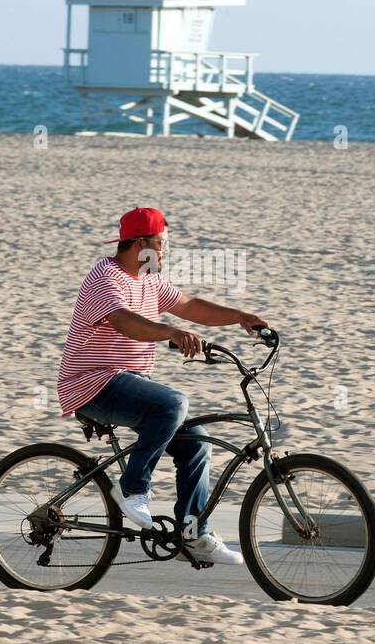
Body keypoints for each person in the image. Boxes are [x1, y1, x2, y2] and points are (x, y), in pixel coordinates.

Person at [57, 207, 269, 566]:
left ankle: (193, 532)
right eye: (162, 243)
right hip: (91, 383)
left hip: (131, 383)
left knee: (197, 444)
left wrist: (239, 317)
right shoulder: (105, 278)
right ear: (140, 243)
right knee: (173, 403)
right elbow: (125, 322)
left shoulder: (149, 279)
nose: (167, 250)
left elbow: (188, 305)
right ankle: (134, 488)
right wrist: (170, 332)